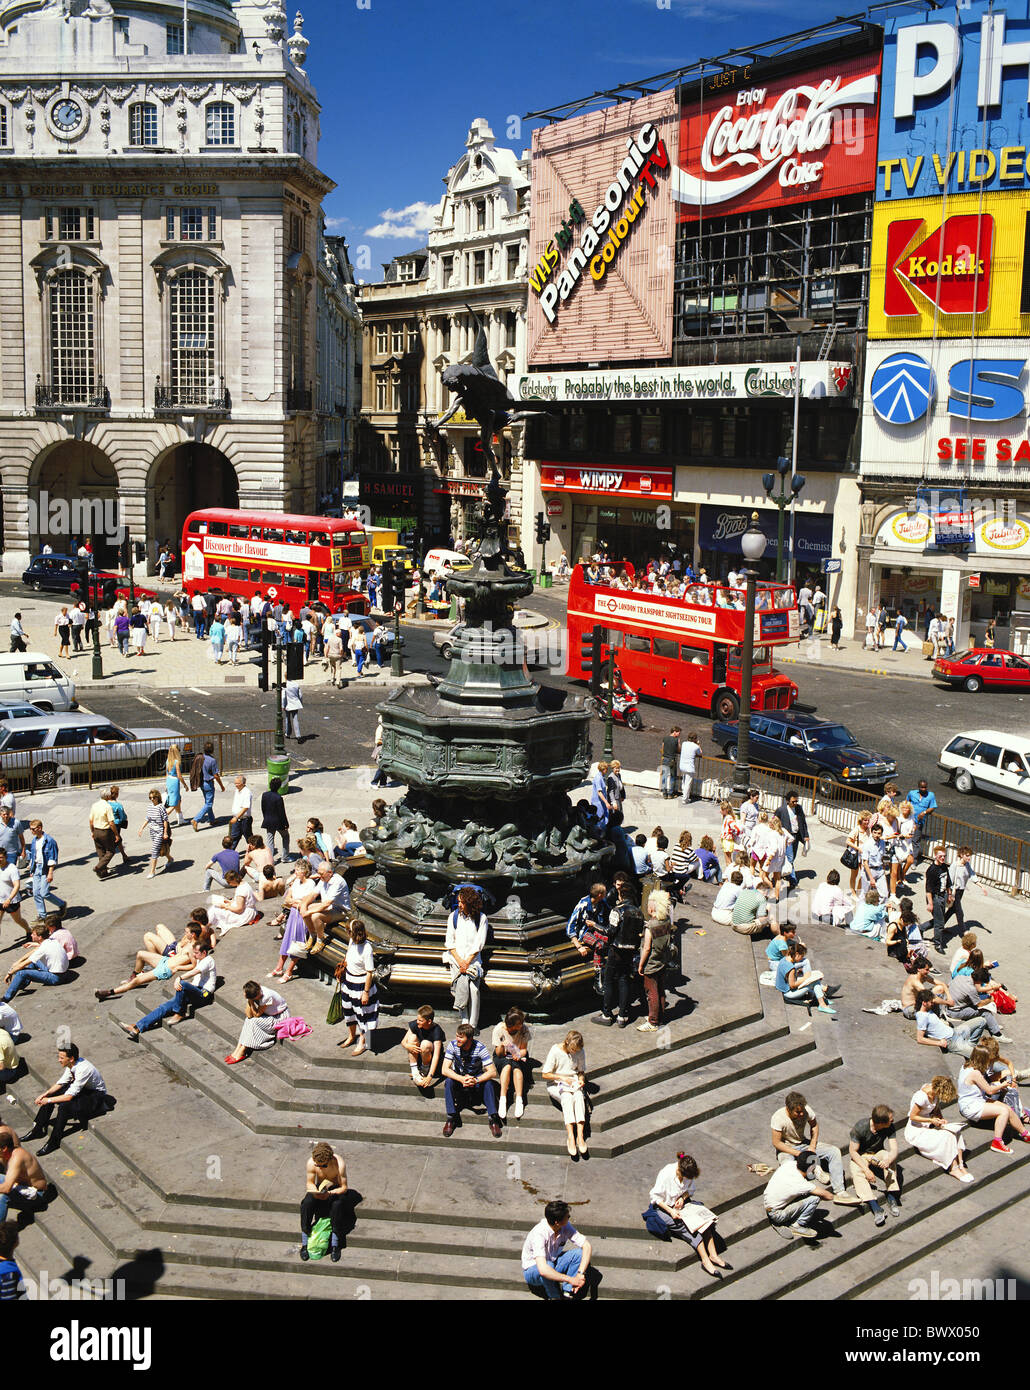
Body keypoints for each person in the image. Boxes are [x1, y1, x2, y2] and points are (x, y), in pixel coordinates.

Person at [771, 1092, 860, 1205]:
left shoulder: (806, 1110)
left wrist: (812, 1146)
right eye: (797, 1112)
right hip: (786, 1148)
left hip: (804, 1143)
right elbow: (777, 1143)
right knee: (788, 1165)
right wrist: (798, 1153)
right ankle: (811, 1173)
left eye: (802, 1110)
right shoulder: (778, 1118)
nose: (801, 1113)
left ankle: (840, 1191)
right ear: (788, 1109)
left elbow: (814, 1125)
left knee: (834, 1151)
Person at [118, 940, 217, 1040]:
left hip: (203, 994)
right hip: (194, 991)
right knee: (163, 1008)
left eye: (196, 953)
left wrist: (180, 978)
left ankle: (180, 1013)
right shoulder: (200, 959)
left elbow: (195, 971)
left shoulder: (208, 960)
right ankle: (137, 1028)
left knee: (182, 983)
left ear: (204, 952)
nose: (194, 956)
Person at [643, 1153, 725, 1274]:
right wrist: (671, 1211)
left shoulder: (688, 1174)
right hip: (663, 1209)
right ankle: (705, 1260)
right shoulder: (666, 1174)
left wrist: (682, 1198)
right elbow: (655, 1198)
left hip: (680, 1204)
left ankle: (713, 1255)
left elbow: (690, 1191)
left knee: (704, 1223)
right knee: (688, 1226)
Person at [22, 1044, 107, 1156]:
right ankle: (37, 1128)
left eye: (62, 1058)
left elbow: (69, 1097)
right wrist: (45, 1095)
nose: (59, 1060)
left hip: (95, 1096)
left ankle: (54, 1141)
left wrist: (48, 1100)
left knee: (64, 1107)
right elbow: (62, 1082)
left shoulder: (83, 1069)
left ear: (71, 1058)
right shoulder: (72, 1065)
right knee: (51, 1096)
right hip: (83, 1089)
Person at [958, 1045, 1030, 1154]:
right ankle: (997, 1142)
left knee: (1008, 1108)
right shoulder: (975, 1073)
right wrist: (1003, 1085)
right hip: (971, 1107)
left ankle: (1026, 1135)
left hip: (976, 1101)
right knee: (1003, 1111)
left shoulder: (966, 1066)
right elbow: (990, 1091)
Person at [594, 877, 643, 1028]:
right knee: (624, 980)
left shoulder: (617, 911)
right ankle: (622, 1015)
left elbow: (610, 931)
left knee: (609, 981)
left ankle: (607, 1014)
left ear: (621, 895)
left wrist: (595, 925)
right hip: (630, 951)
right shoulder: (638, 912)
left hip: (616, 950)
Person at [905, 1075, 972, 1183]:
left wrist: (941, 1119)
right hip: (916, 1130)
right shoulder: (921, 1097)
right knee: (947, 1136)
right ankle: (953, 1168)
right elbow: (912, 1116)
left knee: (955, 1131)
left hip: (928, 1125)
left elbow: (936, 1109)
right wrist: (931, 1121)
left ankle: (960, 1163)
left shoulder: (934, 1094)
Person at [521, 1200, 592, 1300]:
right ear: (557, 1222)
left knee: (579, 1254)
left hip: (553, 1262)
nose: (569, 1218)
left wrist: (580, 1274)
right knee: (548, 1265)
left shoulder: (564, 1226)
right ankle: (554, 1297)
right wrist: (571, 1279)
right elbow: (543, 1270)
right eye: (568, 1217)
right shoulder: (539, 1234)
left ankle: (567, 1292)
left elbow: (587, 1246)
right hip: (533, 1271)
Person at [441, 1023, 502, 1137]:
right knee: (449, 1081)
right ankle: (451, 1117)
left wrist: (476, 1080)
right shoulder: (452, 1045)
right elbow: (444, 1069)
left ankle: (493, 1118)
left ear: (469, 1039)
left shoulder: (480, 1048)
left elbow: (493, 1072)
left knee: (488, 1083)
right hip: (460, 1080)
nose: (457, 1039)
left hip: (475, 1081)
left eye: (460, 1037)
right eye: (457, 1036)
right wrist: (461, 1079)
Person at [763, 1149, 835, 1240]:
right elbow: (828, 1196)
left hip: (768, 1202)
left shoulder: (789, 1164)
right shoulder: (802, 1184)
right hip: (777, 1214)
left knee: (805, 1193)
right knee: (815, 1198)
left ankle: (783, 1220)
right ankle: (797, 1225)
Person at [849, 1105, 901, 1225]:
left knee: (889, 1157)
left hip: (877, 1153)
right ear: (881, 1123)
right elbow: (853, 1151)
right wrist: (866, 1170)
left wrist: (888, 1160)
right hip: (862, 1155)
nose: (892, 1121)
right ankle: (875, 1207)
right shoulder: (861, 1127)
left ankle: (891, 1195)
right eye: (890, 1119)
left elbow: (894, 1149)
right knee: (856, 1170)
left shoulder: (889, 1127)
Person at [300, 1141, 348, 1263]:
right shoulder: (312, 1163)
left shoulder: (339, 1163)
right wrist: (315, 1191)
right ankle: (305, 1242)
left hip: (334, 1190)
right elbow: (309, 1182)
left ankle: (335, 1245)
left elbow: (344, 1187)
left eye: (324, 1166)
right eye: (318, 1166)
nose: (320, 1168)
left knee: (337, 1206)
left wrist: (330, 1194)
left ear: (330, 1159)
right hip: (320, 1188)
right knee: (306, 1203)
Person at [223, 980, 289, 1065]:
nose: (260, 994)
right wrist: (249, 1001)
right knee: (248, 1020)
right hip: (268, 1015)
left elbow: (256, 1015)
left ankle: (243, 1049)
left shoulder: (266, 996)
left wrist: (250, 1001)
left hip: (279, 1017)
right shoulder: (254, 994)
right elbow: (249, 1015)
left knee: (254, 1021)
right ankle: (238, 1048)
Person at [337, 920, 377, 1057]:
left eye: (348, 931)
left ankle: (364, 1042)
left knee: (363, 1014)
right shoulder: (352, 942)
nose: (346, 933)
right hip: (349, 982)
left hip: (360, 985)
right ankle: (351, 1036)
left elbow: (369, 972)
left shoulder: (367, 949)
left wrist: (366, 993)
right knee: (348, 1011)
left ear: (353, 933)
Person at [2, 923, 68, 1003]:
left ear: (40, 937)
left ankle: (6, 999)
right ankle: (22, 984)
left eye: (33, 934)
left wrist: (10, 973)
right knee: (35, 961)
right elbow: (36, 950)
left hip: (56, 977)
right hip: (63, 972)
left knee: (21, 973)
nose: (31, 936)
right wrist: (33, 944)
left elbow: (23, 964)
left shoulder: (43, 948)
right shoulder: (52, 941)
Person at [638, 889, 674, 1032]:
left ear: (652, 907)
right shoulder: (666, 921)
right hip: (663, 960)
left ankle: (652, 1021)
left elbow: (646, 948)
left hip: (651, 963)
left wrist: (641, 965)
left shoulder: (650, 926)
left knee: (651, 992)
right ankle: (660, 1015)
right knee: (660, 989)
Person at [915, 990, 989, 1059]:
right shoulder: (922, 1017)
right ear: (924, 1003)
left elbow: (936, 998)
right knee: (982, 1056)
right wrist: (939, 1043)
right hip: (951, 1042)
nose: (933, 1003)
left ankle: (970, 1045)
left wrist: (948, 1001)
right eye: (931, 1002)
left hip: (956, 1031)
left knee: (982, 1021)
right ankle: (968, 1049)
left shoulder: (927, 1009)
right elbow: (920, 1039)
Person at [0, 1130, 53, 1223]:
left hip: (35, 1195)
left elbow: (7, 1188)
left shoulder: (16, 1158)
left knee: (4, 1196)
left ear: (4, 1148)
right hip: (19, 1186)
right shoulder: (6, 1152)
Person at [303, 862, 350, 956]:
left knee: (315, 916)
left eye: (321, 874)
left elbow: (326, 904)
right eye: (318, 873)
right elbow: (313, 894)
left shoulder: (338, 882)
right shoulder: (323, 878)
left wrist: (308, 912)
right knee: (306, 908)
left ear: (330, 872)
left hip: (340, 911)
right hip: (328, 908)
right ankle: (312, 935)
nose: (319, 876)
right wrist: (304, 905)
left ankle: (320, 939)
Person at [775, 940, 835, 1014]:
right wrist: (805, 978)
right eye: (801, 956)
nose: (801, 959)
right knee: (815, 981)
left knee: (813, 980)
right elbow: (792, 985)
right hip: (788, 993)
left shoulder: (784, 959)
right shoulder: (791, 968)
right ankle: (822, 1004)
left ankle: (819, 998)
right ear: (797, 954)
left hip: (783, 989)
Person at [493, 1006, 531, 1120]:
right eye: (518, 1024)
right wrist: (501, 1045)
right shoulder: (499, 1029)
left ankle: (520, 1099)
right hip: (503, 1054)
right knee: (507, 1066)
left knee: (517, 1069)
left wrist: (518, 1054)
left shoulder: (523, 1029)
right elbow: (498, 1053)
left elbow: (524, 1049)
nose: (521, 1026)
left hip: (518, 1053)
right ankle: (503, 1098)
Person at [27, 819, 65, 920]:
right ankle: (42, 915)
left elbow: (53, 858)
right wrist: (31, 868)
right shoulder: (34, 840)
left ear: (39, 828)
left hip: (45, 868)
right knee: (36, 892)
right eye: (30, 829)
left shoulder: (49, 841)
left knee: (44, 893)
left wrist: (50, 873)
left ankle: (61, 904)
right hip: (36, 868)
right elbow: (33, 855)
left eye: (33, 829)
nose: (32, 831)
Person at [402, 1004, 446, 1090]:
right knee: (412, 1038)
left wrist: (430, 1076)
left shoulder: (437, 1030)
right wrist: (408, 1046)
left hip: (431, 1060)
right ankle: (415, 1071)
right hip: (420, 1056)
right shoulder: (416, 1024)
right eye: (417, 1019)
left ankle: (424, 1071)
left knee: (425, 1044)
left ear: (429, 1021)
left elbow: (436, 1055)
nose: (417, 1022)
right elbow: (403, 1042)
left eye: (421, 1020)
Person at [945, 845, 985, 933]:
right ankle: (964, 932)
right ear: (961, 855)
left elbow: (972, 874)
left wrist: (981, 886)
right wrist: (949, 894)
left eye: (969, 855)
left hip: (961, 892)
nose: (969, 857)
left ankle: (934, 926)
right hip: (955, 892)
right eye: (967, 855)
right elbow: (949, 881)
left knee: (951, 911)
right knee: (959, 913)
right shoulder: (955, 865)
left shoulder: (967, 865)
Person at [207, 870, 258, 935]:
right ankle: (207, 925)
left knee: (214, 909)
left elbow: (239, 909)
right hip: (249, 910)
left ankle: (206, 927)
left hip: (245, 914)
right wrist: (230, 902)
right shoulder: (244, 884)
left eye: (229, 882)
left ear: (233, 879)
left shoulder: (241, 890)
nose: (228, 884)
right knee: (216, 908)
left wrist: (226, 906)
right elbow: (243, 901)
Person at [776, 791, 810, 886]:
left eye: (796, 801)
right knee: (790, 858)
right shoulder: (781, 810)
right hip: (787, 838)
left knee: (791, 857)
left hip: (796, 836)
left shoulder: (799, 808)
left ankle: (783, 872)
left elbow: (803, 822)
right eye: (793, 802)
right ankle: (793, 879)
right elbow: (774, 821)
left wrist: (806, 836)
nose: (795, 803)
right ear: (787, 801)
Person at [924, 843, 952, 955]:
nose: (943, 858)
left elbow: (948, 882)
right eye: (940, 856)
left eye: (944, 856)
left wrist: (949, 895)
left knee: (938, 919)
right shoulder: (931, 870)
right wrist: (930, 903)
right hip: (934, 897)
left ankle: (920, 928)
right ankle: (937, 943)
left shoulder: (944, 867)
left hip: (942, 895)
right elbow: (928, 889)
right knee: (940, 923)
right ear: (935, 856)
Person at [138, 788, 173, 879]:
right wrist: (142, 827)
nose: (152, 799)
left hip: (159, 832)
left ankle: (152, 871)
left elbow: (165, 820)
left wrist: (165, 833)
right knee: (159, 848)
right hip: (152, 831)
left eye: (153, 797)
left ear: (157, 797)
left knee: (154, 851)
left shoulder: (161, 807)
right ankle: (170, 858)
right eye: (150, 798)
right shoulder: (149, 806)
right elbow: (148, 818)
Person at [190, 742, 225, 831]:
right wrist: (222, 786)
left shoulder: (201, 757)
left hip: (201, 782)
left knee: (207, 802)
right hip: (209, 784)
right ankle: (196, 819)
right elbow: (216, 775)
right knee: (209, 804)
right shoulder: (212, 760)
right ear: (212, 750)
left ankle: (212, 819)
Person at [89, 788, 118, 878]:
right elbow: (111, 823)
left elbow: (91, 821)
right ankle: (99, 867)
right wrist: (116, 834)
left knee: (100, 852)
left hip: (96, 830)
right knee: (110, 851)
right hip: (105, 831)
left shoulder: (94, 805)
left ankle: (102, 872)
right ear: (108, 796)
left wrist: (92, 831)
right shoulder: (107, 807)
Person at [0, 849, 28, 943]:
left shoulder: (12, 869)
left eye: (1, 857)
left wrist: (9, 899)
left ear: (5, 857)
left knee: (18, 920)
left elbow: (17, 886)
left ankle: (28, 930)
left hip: (12, 901)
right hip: (0, 900)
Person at [260, 776, 290, 861]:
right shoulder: (278, 798)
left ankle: (270, 859)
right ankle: (285, 856)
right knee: (285, 837)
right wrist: (286, 824)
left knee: (270, 840)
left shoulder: (264, 795)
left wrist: (266, 818)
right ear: (279, 786)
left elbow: (263, 808)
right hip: (278, 822)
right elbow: (282, 813)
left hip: (268, 821)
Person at [907, 780, 937, 859]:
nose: (924, 789)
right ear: (918, 787)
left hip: (919, 822)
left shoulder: (931, 795)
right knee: (906, 838)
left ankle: (914, 860)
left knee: (915, 841)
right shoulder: (912, 793)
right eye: (922, 787)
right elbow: (907, 802)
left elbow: (932, 807)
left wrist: (924, 812)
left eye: (925, 787)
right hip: (909, 820)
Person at [227, 775, 254, 850]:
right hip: (237, 819)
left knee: (249, 838)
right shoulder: (237, 791)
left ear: (243, 783)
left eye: (238, 783)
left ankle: (255, 851)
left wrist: (236, 817)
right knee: (234, 837)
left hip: (244, 820)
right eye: (235, 783)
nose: (236, 785)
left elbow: (245, 807)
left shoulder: (247, 792)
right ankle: (230, 853)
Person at [679, 730, 702, 803]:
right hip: (689, 767)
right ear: (695, 739)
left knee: (684, 781)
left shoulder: (684, 743)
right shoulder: (695, 746)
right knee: (687, 784)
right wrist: (698, 744)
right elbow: (700, 753)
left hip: (682, 765)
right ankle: (685, 799)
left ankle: (684, 795)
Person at [165, 745, 185, 826]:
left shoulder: (168, 761)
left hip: (169, 780)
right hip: (174, 782)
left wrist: (166, 784)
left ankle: (180, 818)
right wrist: (185, 785)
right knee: (174, 803)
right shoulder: (176, 762)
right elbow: (179, 776)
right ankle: (160, 818)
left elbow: (166, 773)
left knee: (178, 799)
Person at [658, 726, 681, 799]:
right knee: (672, 777)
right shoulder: (676, 740)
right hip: (672, 760)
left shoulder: (665, 738)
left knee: (664, 776)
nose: (679, 734)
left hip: (665, 759)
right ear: (674, 732)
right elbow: (679, 750)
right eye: (678, 733)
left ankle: (664, 793)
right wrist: (679, 743)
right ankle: (670, 794)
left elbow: (663, 748)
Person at [589, 760, 612, 829]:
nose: (607, 771)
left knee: (602, 819)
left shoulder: (601, 777)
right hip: (598, 803)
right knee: (599, 820)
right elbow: (599, 792)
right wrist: (606, 802)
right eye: (606, 769)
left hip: (600, 802)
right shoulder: (598, 778)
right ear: (603, 769)